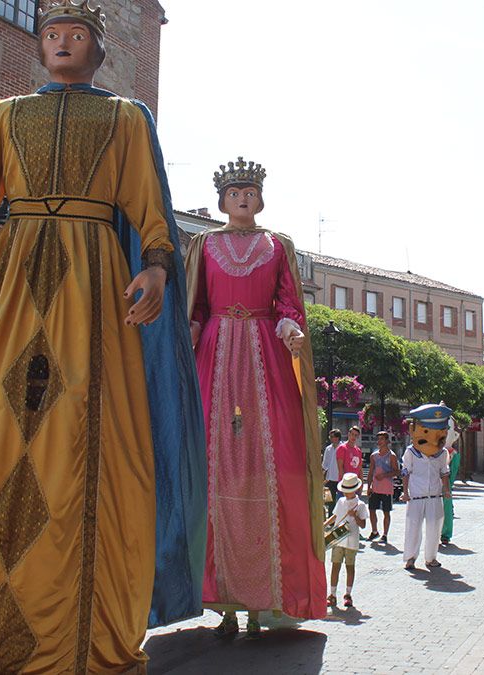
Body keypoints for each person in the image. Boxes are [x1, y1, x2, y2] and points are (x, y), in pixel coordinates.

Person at [0, 4, 208, 670]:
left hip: (94, 286)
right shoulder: (1, 116)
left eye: (76, 36)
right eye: (52, 35)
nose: (62, 43)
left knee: (89, 435)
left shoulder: (127, 118)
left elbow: (152, 214)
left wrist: (157, 270)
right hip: (14, 282)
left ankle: (82, 627)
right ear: (40, 47)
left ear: (100, 51)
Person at [185, 156, 326, 637]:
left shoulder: (278, 244)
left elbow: (288, 298)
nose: (242, 199)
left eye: (249, 192)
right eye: (234, 193)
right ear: (221, 200)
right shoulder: (203, 243)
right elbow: (197, 301)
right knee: (213, 465)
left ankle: (266, 600)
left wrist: (289, 325)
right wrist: (192, 328)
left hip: (265, 351)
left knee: (274, 466)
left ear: (260, 198)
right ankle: (221, 599)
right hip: (216, 353)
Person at [401, 404, 453, 570]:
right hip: (416, 496)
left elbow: (444, 472)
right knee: (413, 528)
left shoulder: (442, 453)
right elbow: (406, 472)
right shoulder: (411, 452)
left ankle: (431, 558)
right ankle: (410, 558)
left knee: (434, 528)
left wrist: (446, 490)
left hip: (434, 496)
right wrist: (404, 492)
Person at [327, 472, 369, 609]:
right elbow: (335, 516)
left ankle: (348, 594)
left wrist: (355, 516)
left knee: (350, 567)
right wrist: (324, 524)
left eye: (348, 491)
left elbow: (363, 525)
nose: (346, 494)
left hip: (351, 540)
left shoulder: (361, 505)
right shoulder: (341, 501)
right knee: (335, 565)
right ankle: (332, 594)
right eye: (345, 491)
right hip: (339, 539)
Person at [366, 431, 398, 543]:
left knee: (386, 512)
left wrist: (384, 475)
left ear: (387, 441)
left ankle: (385, 534)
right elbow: (370, 472)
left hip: (386, 489)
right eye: (378, 439)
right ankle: (374, 531)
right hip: (375, 488)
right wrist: (369, 486)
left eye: (382, 439)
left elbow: (397, 472)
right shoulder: (373, 456)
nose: (379, 441)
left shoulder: (392, 456)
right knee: (371, 510)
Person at [441, 421, 461, 545]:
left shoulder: (453, 454)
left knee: (446, 508)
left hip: (445, 486)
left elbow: (451, 473)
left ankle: (445, 534)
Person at [322, 429, 342, 504]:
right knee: (330, 501)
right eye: (330, 436)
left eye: (332, 436)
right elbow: (325, 464)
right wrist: (322, 477)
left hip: (340, 478)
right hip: (330, 479)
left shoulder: (342, 448)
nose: (330, 438)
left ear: (337, 438)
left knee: (341, 500)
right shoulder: (328, 449)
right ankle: (331, 515)